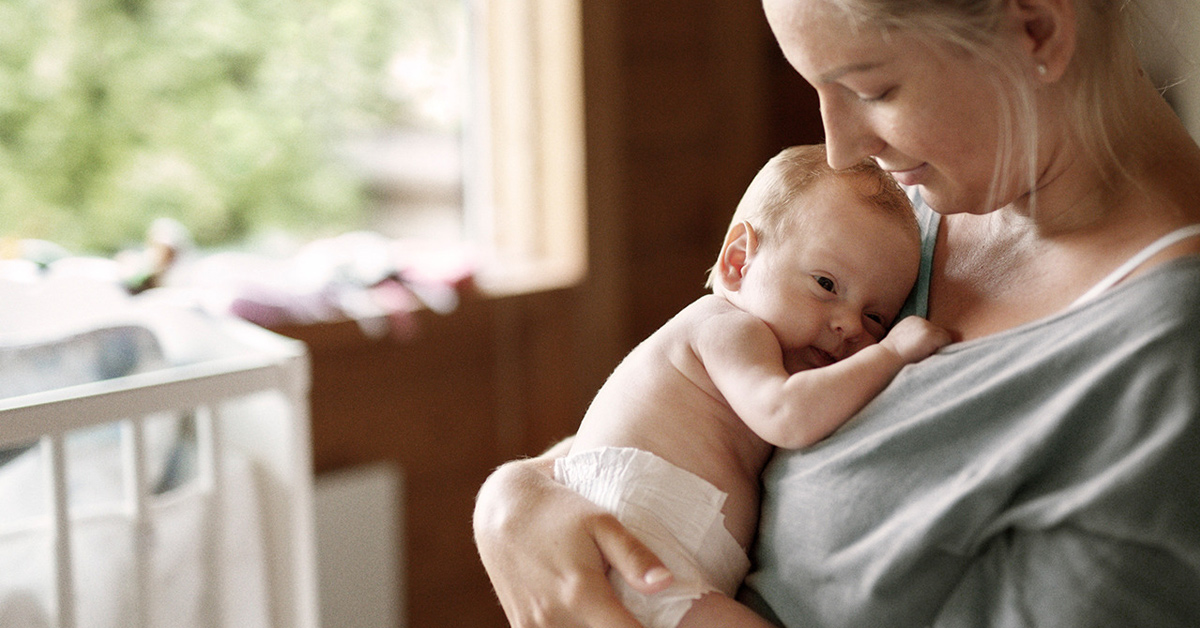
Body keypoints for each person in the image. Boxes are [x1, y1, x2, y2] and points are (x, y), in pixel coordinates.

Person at [474, 0, 1200, 625]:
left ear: (1036, 28)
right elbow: (675, 427)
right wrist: (514, 501)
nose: (842, 148)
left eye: (872, 89)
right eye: (817, 86)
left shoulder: (1163, 360)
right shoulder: (896, 219)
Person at [555, 144, 950, 628]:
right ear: (739, 261)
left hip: (660, 557)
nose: (850, 325)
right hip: (634, 555)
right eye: (826, 284)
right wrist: (892, 352)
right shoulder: (728, 328)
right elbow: (786, 415)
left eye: (876, 318)